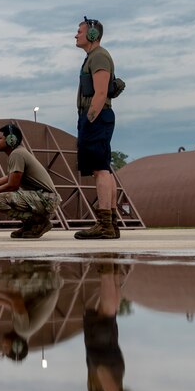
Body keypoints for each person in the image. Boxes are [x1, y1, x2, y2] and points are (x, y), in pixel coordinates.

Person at [83, 259, 138, 391]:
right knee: (106, 316)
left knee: (108, 316)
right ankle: (107, 269)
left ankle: (112, 270)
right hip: (105, 365)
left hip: (109, 364)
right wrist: (100, 369)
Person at [0, 123, 61, 239]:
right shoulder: (19, 152)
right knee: (4, 198)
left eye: (0, 138)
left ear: (11, 140)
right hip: (44, 198)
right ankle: (30, 225)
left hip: (45, 198)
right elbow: (10, 177)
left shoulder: (17, 154)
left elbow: (13, 185)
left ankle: (38, 222)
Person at [74, 17, 120, 239]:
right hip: (98, 117)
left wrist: (89, 120)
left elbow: (101, 93)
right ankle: (110, 221)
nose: (76, 35)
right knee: (104, 168)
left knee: (99, 170)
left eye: (79, 31)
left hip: (96, 117)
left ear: (92, 35)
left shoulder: (99, 56)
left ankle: (104, 225)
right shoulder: (93, 57)